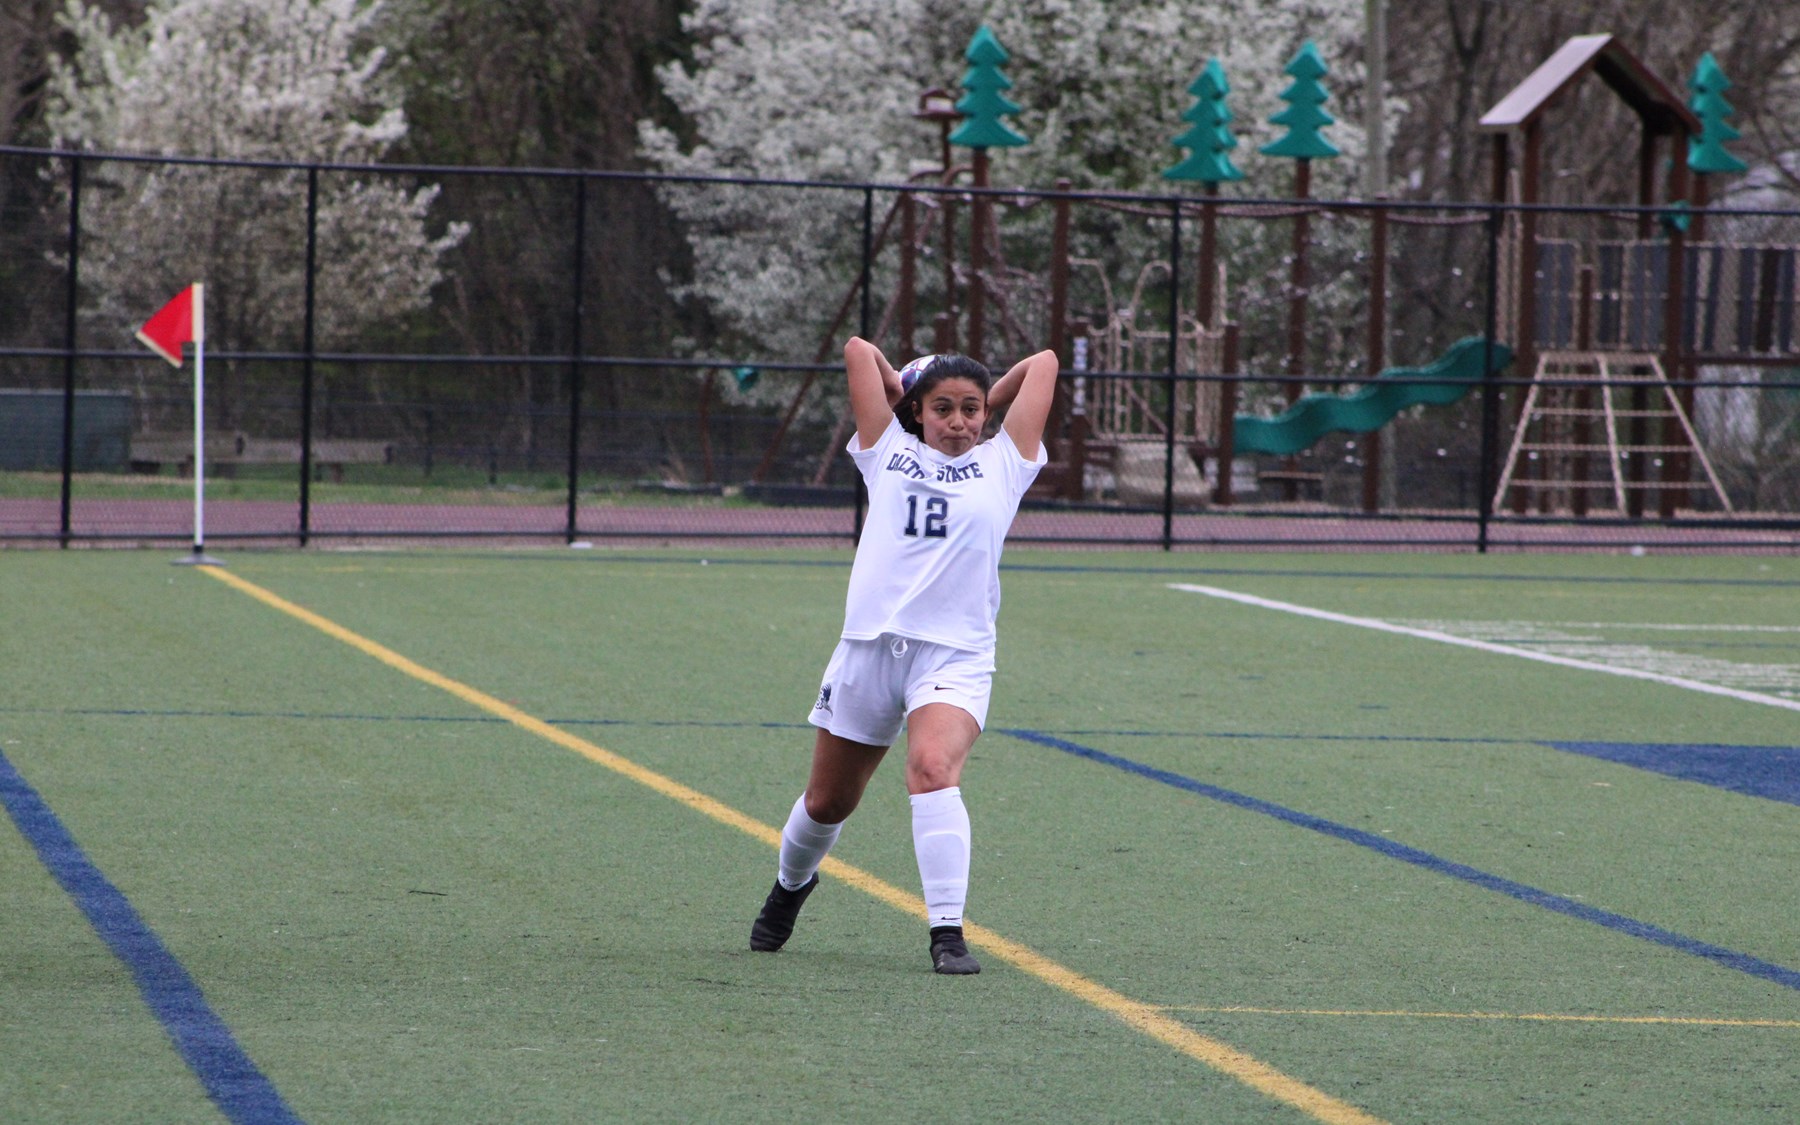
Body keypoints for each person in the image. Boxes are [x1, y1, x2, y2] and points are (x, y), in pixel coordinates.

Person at [750, 337, 1059, 974]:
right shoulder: (887, 450)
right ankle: (790, 887)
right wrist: (903, 390)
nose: (959, 422)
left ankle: (947, 934)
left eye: (970, 410)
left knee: (930, 767)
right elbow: (858, 350)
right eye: (942, 408)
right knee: (827, 803)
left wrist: (983, 393)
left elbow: (1047, 363)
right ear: (916, 411)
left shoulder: (1006, 461)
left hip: (954, 656)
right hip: (869, 652)